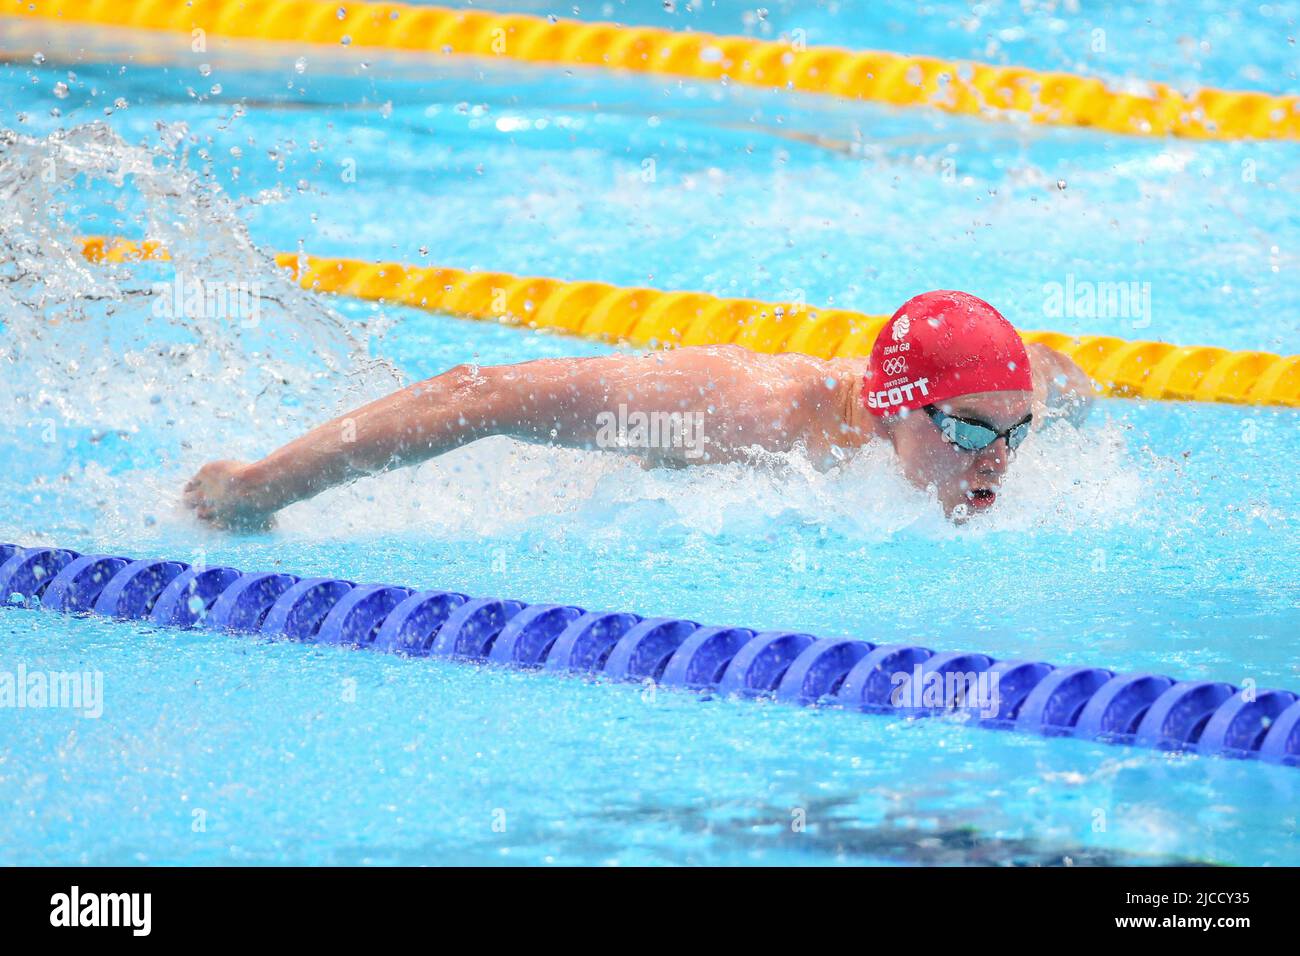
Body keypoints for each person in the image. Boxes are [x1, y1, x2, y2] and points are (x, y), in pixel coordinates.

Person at [184, 290, 1094, 528]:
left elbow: (1052, 367)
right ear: (889, 410)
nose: (998, 460)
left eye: (1016, 432)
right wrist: (259, 487)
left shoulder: (1007, 401)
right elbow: (481, 395)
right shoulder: (743, 415)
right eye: (971, 430)